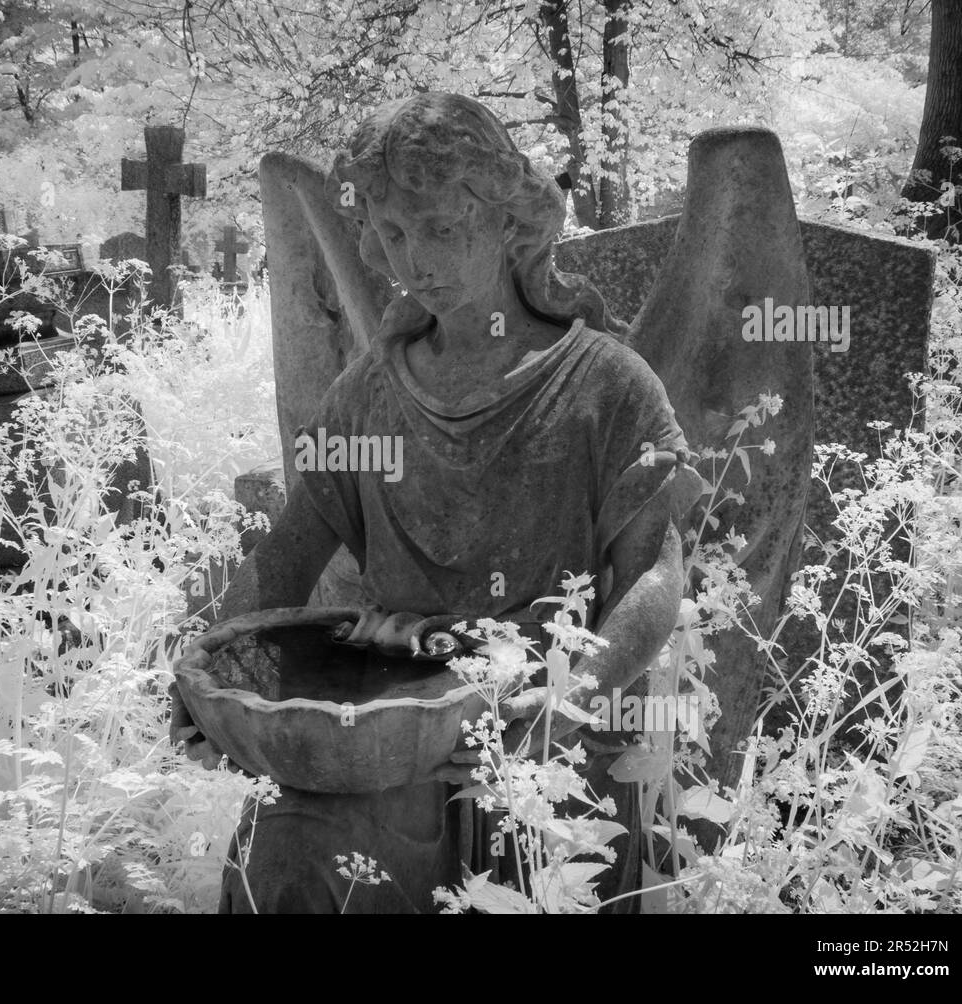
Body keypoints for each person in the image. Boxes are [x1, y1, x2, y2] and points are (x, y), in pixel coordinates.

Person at [171, 92, 701, 913]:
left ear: (508, 221)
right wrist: (206, 670)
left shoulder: (603, 383)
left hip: (542, 711)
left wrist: (569, 697)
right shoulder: (371, 391)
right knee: (285, 854)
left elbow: (653, 578)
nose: (414, 261)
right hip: (387, 710)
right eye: (390, 234)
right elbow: (291, 548)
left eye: (441, 230)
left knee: (547, 865)